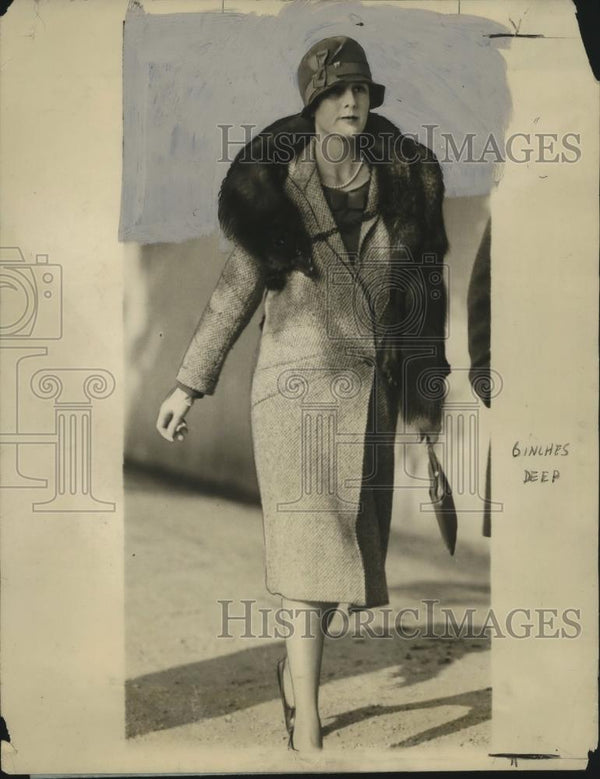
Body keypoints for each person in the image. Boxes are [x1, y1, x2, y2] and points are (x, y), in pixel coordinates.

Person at [156, 36, 450, 752]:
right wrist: (188, 384)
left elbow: (423, 302)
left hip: (369, 396)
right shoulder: (276, 190)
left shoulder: (403, 185)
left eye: (361, 90)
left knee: (344, 559)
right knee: (308, 555)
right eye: (336, 91)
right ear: (312, 103)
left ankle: (295, 673)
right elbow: (235, 290)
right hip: (293, 393)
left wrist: (424, 406)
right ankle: (310, 719)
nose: (351, 102)